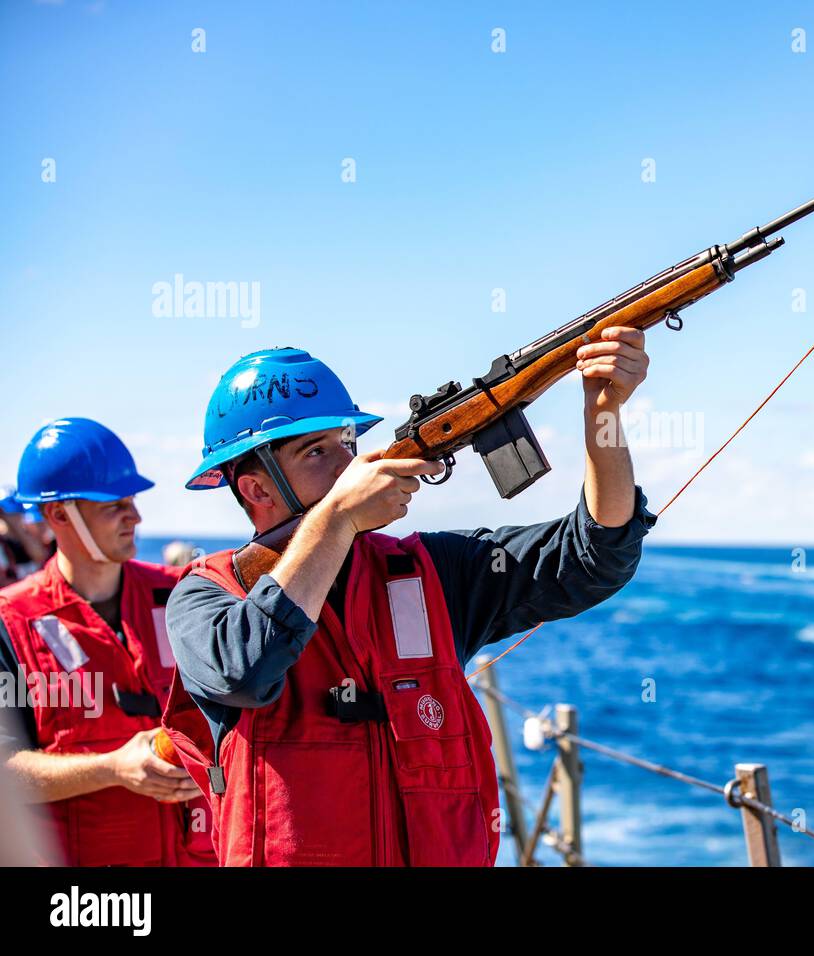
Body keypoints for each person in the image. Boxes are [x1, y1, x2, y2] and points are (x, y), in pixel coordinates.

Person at [163, 339, 655, 866]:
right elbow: (246, 669)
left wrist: (603, 415)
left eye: (346, 441)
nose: (349, 466)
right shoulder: (205, 596)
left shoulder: (430, 573)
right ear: (257, 489)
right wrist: (338, 520)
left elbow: (592, 558)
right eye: (317, 451)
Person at [0, 418, 214, 866]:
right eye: (113, 504)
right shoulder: (11, 623)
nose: (134, 516)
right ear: (59, 514)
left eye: (132, 500)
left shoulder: (181, 593)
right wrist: (111, 768)